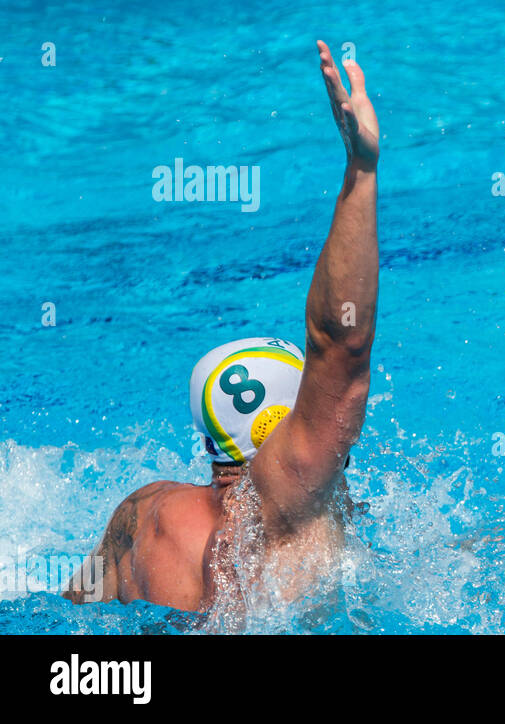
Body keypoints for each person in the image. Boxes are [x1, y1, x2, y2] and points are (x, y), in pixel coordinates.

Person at [63, 41, 379, 611]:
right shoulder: (286, 502)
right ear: (282, 428)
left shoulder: (140, 514)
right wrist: (360, 171)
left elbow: (70, 609)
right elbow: (342, 344)